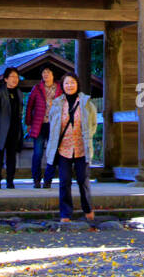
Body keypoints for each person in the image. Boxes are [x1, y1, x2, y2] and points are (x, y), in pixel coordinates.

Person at [44, 73, 98, 228]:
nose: (69, 86)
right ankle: (65, 214)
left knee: (83, 180)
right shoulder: (57, 103)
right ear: (63, 85)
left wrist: (88, 137)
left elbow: (93, 123)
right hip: (63, 148)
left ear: (77, 84)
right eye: (66, 83)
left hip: (82, 147)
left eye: (72, 82)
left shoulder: (86, 102)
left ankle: (88, 210)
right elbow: (53, 124)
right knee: (64, 181)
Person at [0, 67, 24, 189]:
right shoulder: (0, 91)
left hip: (15, 128)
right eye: (12, 77)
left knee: (11, 156)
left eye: (16, 77)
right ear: (6, 79)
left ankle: (10, 180)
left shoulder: (19, 93)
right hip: (1, 129)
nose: (14, 79)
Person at [25, 63, 59, 189]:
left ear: (53, 75)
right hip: (39, 124)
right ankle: (36, 180)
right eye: (44, 72)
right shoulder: (37, 88)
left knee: (52, 153)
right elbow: (29, 106)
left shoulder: (59, 88)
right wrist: (28, 123)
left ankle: (48, 180)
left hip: (54, 125)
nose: (46, 74)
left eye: (48, 72)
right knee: (38, 153)